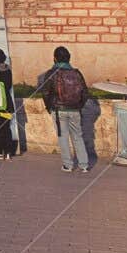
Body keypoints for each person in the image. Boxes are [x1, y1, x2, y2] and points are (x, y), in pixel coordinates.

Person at [35, 45, 91, 173]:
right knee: (78, 136)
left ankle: (68, 165)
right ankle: (84, 165)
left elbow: (45, 92)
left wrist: (49, 107)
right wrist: (78, 106)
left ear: (54, 59)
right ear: (69, 58)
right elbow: (85, 93)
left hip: (58, 110)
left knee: (63, 137)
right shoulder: (77, 73)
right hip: (75, 110)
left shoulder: (52, 73)